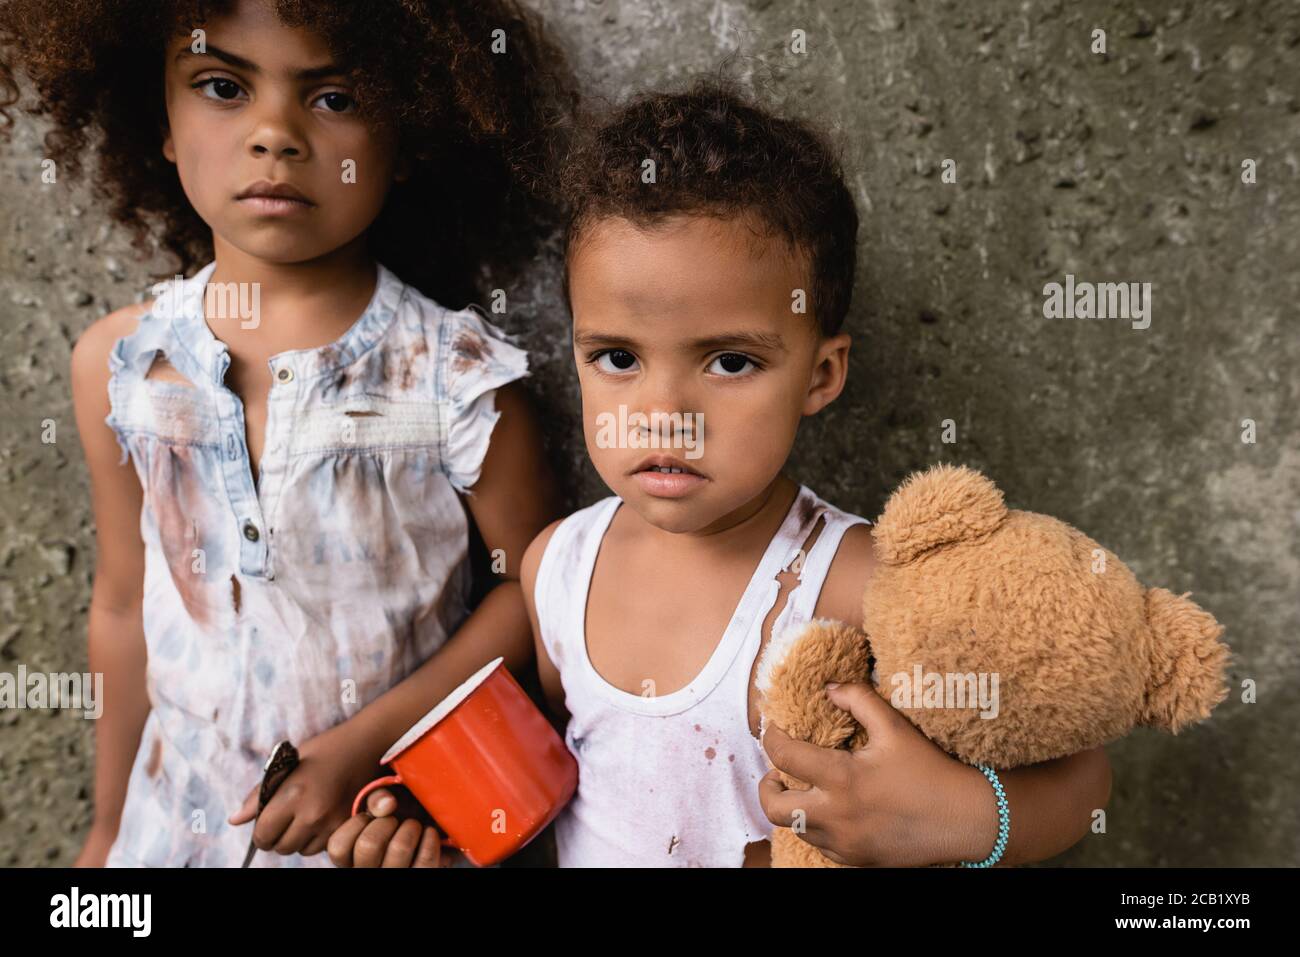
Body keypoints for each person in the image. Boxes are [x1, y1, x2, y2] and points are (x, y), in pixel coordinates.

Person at [332, 78, 1111, 867]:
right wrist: (435, 826)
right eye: (618, 357)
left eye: (730, 360)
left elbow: (1081, 777)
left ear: (820, 374)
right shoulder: (556, 571)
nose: (665, 411)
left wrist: (948, 816)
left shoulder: (862, 584)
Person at [0, 0, 571, 866]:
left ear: (411, 133)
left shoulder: (457, 380)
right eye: (223, 86)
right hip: (175, 827)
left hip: (381, 832)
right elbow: (121, 606)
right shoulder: (120, 367)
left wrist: (363, 749)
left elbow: (535, 596)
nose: (275, 134)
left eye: (335, 98)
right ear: (160, 120)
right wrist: (109, 826)